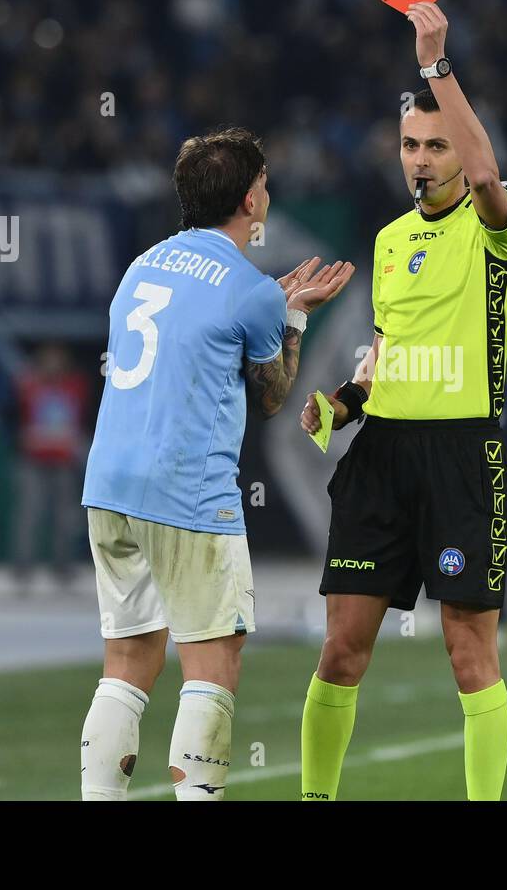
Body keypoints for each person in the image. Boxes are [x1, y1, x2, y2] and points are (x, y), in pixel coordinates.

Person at [298, 1, 507, 801]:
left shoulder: (502, 224)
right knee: (341, 653)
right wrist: (344, 402)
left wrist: (436, 65)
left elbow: (491, 175)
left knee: (469, 655)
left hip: (464, 456)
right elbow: (387, 350)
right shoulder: (391, 241)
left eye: (437, 145)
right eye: (410, 145)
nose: (422, 160)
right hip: (383, 457)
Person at [77, 128, 353, 800]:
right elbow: (273, 399)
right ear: (252, 196)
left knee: (127, 662)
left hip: (108, 486)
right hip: (187, 493)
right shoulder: (247, 286)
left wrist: (270, 304)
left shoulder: (141, 267)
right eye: (263, 181)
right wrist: (292, 317)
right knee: (212, 663)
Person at [13, 343, 90, 591]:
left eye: (57, 361)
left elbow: (84, 418)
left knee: (65, 518)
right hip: (33, 461)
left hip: (63, 462)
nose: (53, 366)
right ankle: (23, 570)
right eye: (48, 361)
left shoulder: (76, 386)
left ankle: (62, 569)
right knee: (29, 515)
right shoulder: (28, 386)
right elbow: (13, 416)